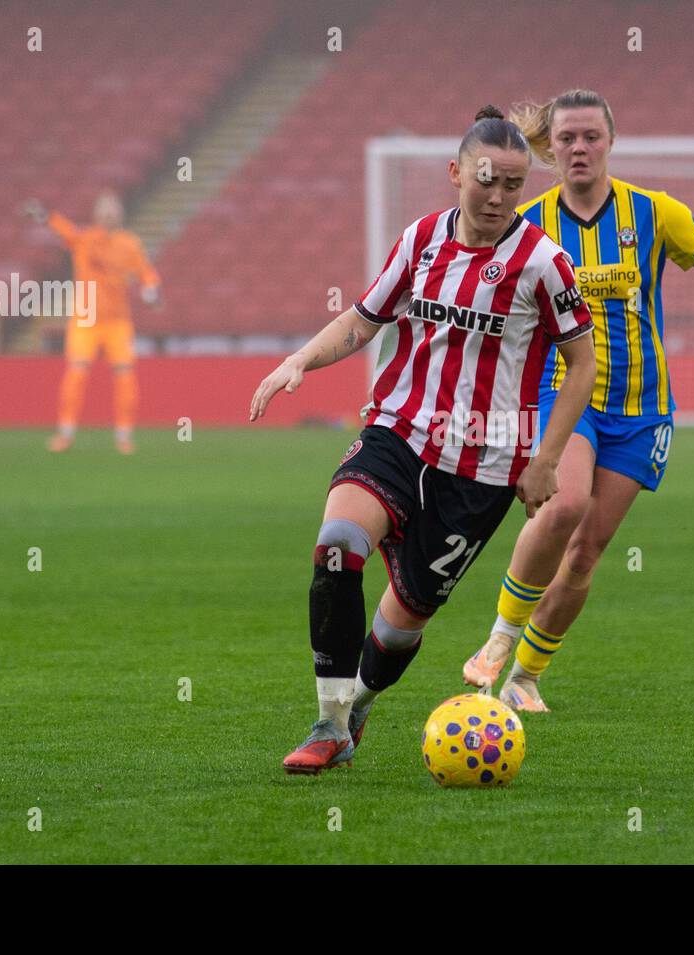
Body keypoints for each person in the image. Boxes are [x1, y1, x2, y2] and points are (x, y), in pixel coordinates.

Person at [248, 106, 597, 775]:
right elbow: (363, 320)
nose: (497, 196)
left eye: (513, 185)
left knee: (397, 628)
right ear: (456, 173)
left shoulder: (544, 264)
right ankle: (327, 720)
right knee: (335, 549)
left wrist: (546, 459)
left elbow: (582, 362)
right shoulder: (421, 240)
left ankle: (359, 706)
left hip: (484, 469)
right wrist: (298, 360)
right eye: (486, 180)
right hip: (399, 431)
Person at [461, 90, 694, 712]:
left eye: (590, 136)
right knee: (564, 504)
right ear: (553, 146)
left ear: (610, 143)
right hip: (564, 392)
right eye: (566, 137)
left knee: (585, 554)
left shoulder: (654, 213)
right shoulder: (530, 224)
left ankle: (526, 677)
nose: (578, 147)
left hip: (641, 407)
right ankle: (497, 640)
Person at [21, 191, 160, 454]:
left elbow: (147, 273)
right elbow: (62, 228)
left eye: (113, 209)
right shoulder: (84, 238)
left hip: (117, 321)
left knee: (125, 376)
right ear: (96, 214)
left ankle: (124, 436)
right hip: (86, 319)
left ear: (120, 213)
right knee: (76, 373)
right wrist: (41, 214)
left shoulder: (129, 243)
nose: (108, 213)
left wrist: (151, 289)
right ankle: (65, 433)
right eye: (104, 209)